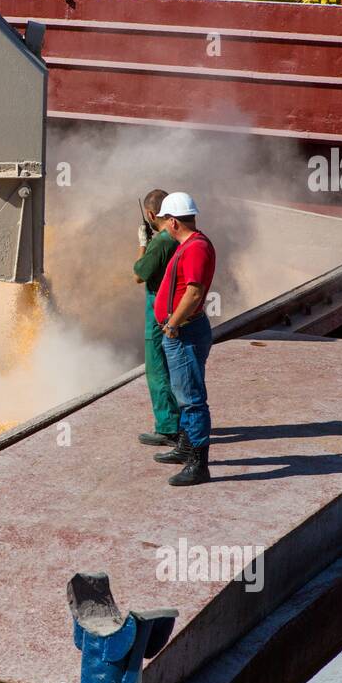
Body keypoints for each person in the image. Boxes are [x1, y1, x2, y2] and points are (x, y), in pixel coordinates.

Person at [152, 192, 216, 486]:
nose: (162, 227)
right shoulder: (189, 245)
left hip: (184, 332)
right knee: (185, 393)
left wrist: (173, 325)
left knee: (191, 400)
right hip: (183, 330)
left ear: (174, 221)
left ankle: (198, 465)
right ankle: (185, 448)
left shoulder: (195, 249)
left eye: (164, 221)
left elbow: (194, 292)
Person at [132, 189, 180, 448]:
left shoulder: (161, 241)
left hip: (158, 313)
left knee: (158, 370)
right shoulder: (179, 235)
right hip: (177, 310)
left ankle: (167, 427)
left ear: (151, 214)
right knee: (176, 369)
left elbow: (139, 274)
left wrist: (143, 244)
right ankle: (181, 421)